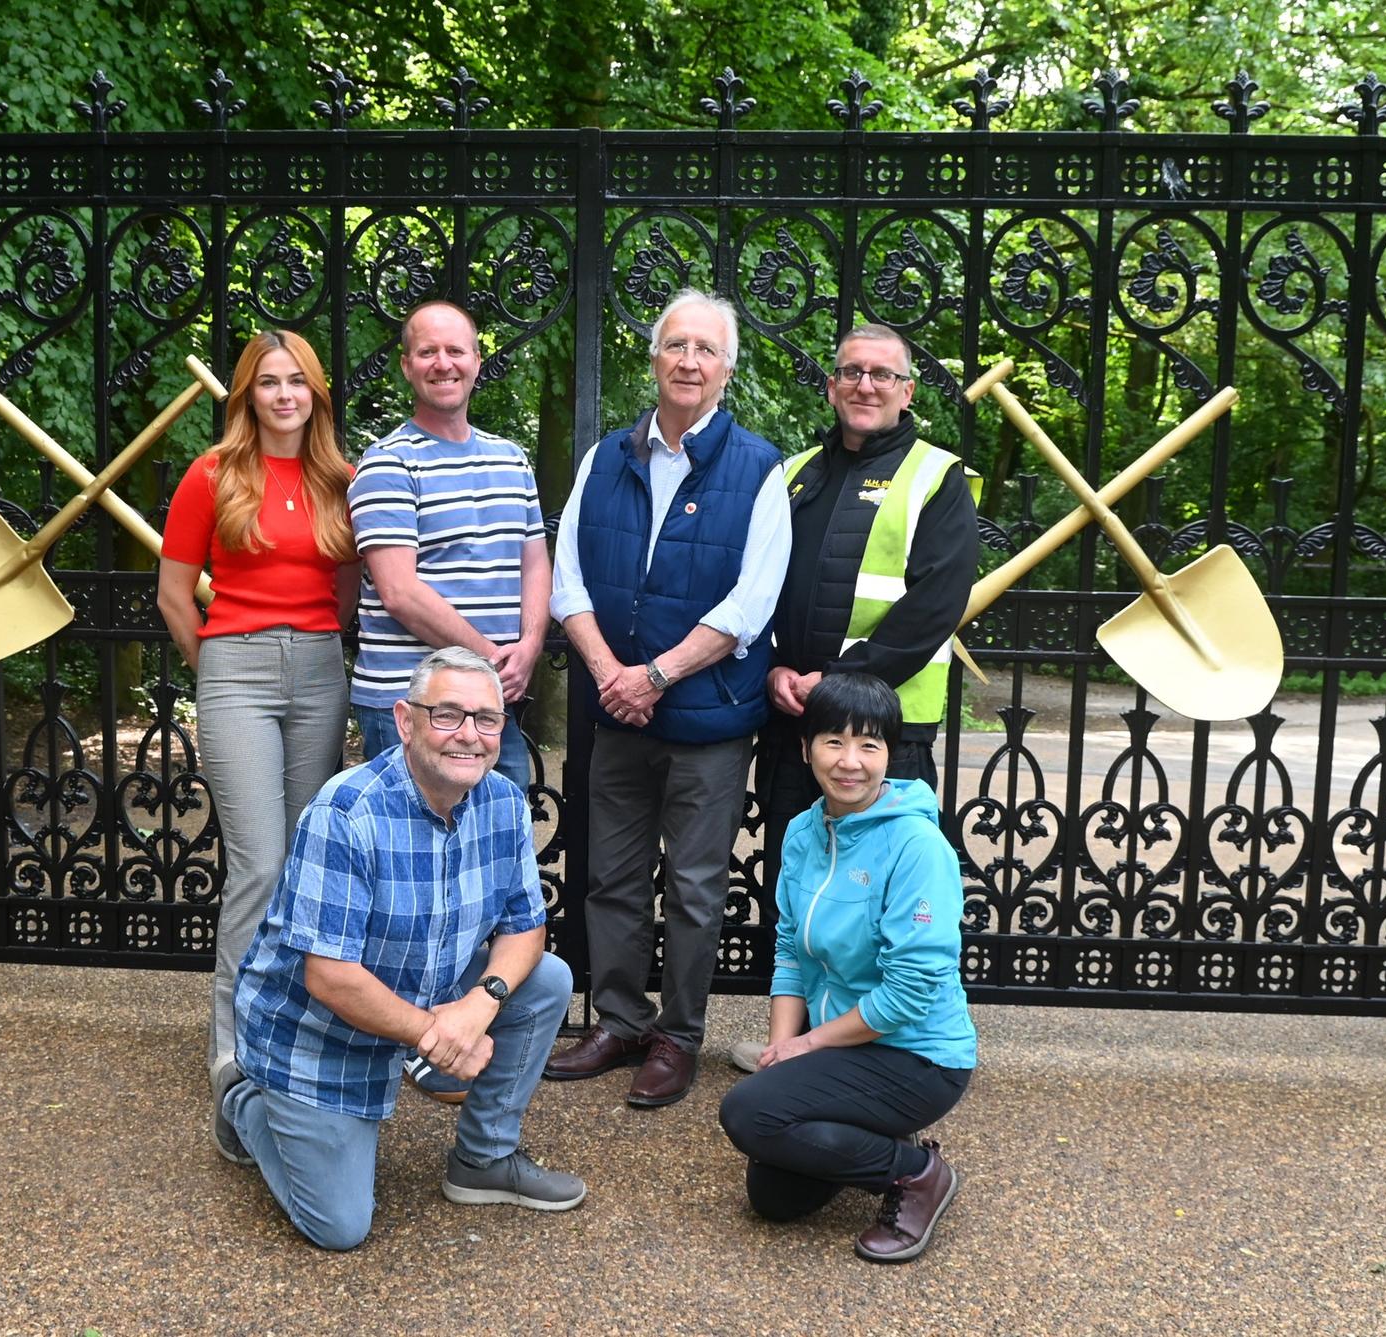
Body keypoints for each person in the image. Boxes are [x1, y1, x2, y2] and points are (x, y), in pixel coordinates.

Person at [221, 647, 584, 1251]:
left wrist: (479, 1007)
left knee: (545, 979)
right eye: (447, 715)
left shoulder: (502, 801)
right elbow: (330, 978)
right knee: (339, 1228)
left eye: (486, 719)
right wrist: (436, 1038)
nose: (469, 735)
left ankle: (484, 1160)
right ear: (406, 721)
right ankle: (245, 1099)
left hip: (423, 986)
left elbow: (526, 927)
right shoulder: (346, 812)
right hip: (316, 1033)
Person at [542, 288, 792, 1108]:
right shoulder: (604, 457)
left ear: (727, 369)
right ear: (652, 357)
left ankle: (678, 1035)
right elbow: (568, 577)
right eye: (675, 344)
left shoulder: (760, 467)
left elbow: (750, 605)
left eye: (706, 349)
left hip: (708, 719)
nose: (689, 361)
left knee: (692, 885)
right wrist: (613, 672)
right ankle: (616, 1019)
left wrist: (653, 675)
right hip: (617, 708)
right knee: (609, 876)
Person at [734, 324, 978, 1074]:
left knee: (885, 894)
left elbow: (936, 603)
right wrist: (774, 662)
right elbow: (760, 584)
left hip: (885, 731)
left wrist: (835, 687)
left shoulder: (938, 477)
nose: (865, 385)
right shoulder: (796, 472)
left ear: (907, 391)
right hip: (794, 720)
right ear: (833, 384)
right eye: (851, 372)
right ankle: (794, 1044)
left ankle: (888, 1044)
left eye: (882, 374)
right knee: (801, 882)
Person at [156, 329, 358, 1155]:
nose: (284, 395)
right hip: (234, 668)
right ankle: (233, 1066)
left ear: (315, 394)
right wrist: (217, 671)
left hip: (319, 667)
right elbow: (174, 593)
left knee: (309, 865)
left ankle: (298, 1041)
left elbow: (348, 589)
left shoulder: (341, 480)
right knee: (261, 864)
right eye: (268, 382)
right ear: (246, 394)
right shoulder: (212, 474)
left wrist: (314, 651)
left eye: (297, 382)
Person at [717, 672, 977, 1263]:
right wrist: (778, 1051)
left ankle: (916, 1173)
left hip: (916, 1055)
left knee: (746, 1113)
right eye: (834, 741)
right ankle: (876, 1135)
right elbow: (789, 949)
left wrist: (805, 1051)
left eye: (869, 744)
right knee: (775, 1197)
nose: (850, 762)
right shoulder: (805, 832)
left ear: (890, 752)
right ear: (806, 747)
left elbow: (908, 995)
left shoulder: (917, 846)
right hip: (839, 1043)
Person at [347, 299, 550, 794]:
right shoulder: (386, 464)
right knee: (412, 860)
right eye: (427, 351)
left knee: (495, 849)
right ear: (406, 365)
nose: (443, 363)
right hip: (411, 706)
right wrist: (489, 662)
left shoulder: (511, 459)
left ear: (477, 361)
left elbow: (536, 564)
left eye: (456, 350)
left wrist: (529, 647)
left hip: (489, 705)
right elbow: (399, 592)